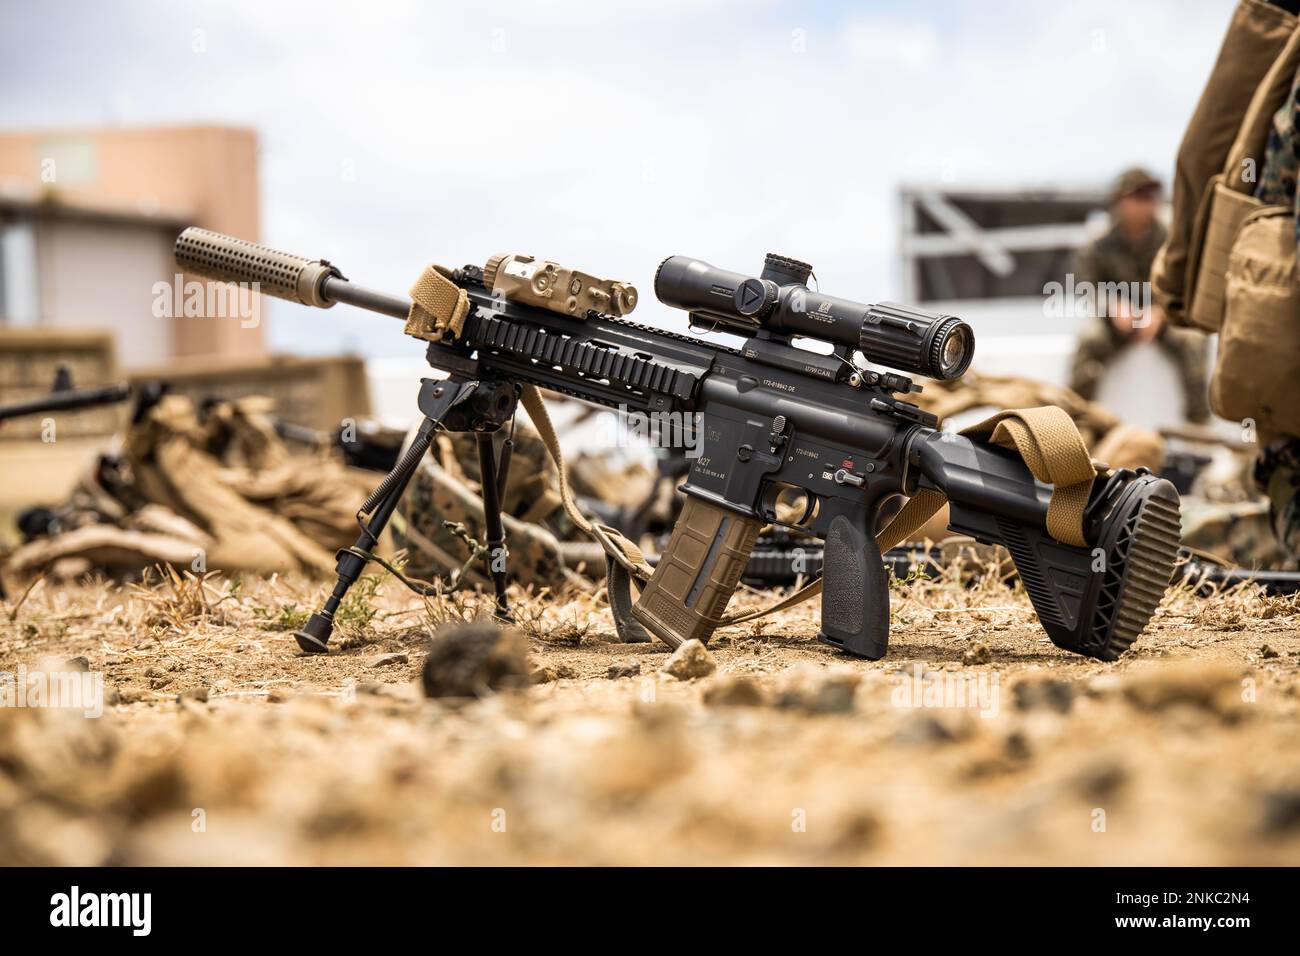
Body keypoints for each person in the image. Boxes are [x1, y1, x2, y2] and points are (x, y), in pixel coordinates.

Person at [1067, 168, 1210, 423]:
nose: (1148, 202)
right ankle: (1077, 423)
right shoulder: (1099, 242)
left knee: (1193, 341)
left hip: (1162, 316)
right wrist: (1113, 307)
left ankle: (1197, 425)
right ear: (1120, 200)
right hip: (1117, 320)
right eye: (1139, 196)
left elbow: (1186, 280)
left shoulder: (1171, 237)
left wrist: (1161, 311)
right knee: (1089, 343)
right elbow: (1088, 286)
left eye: (1151, 195)